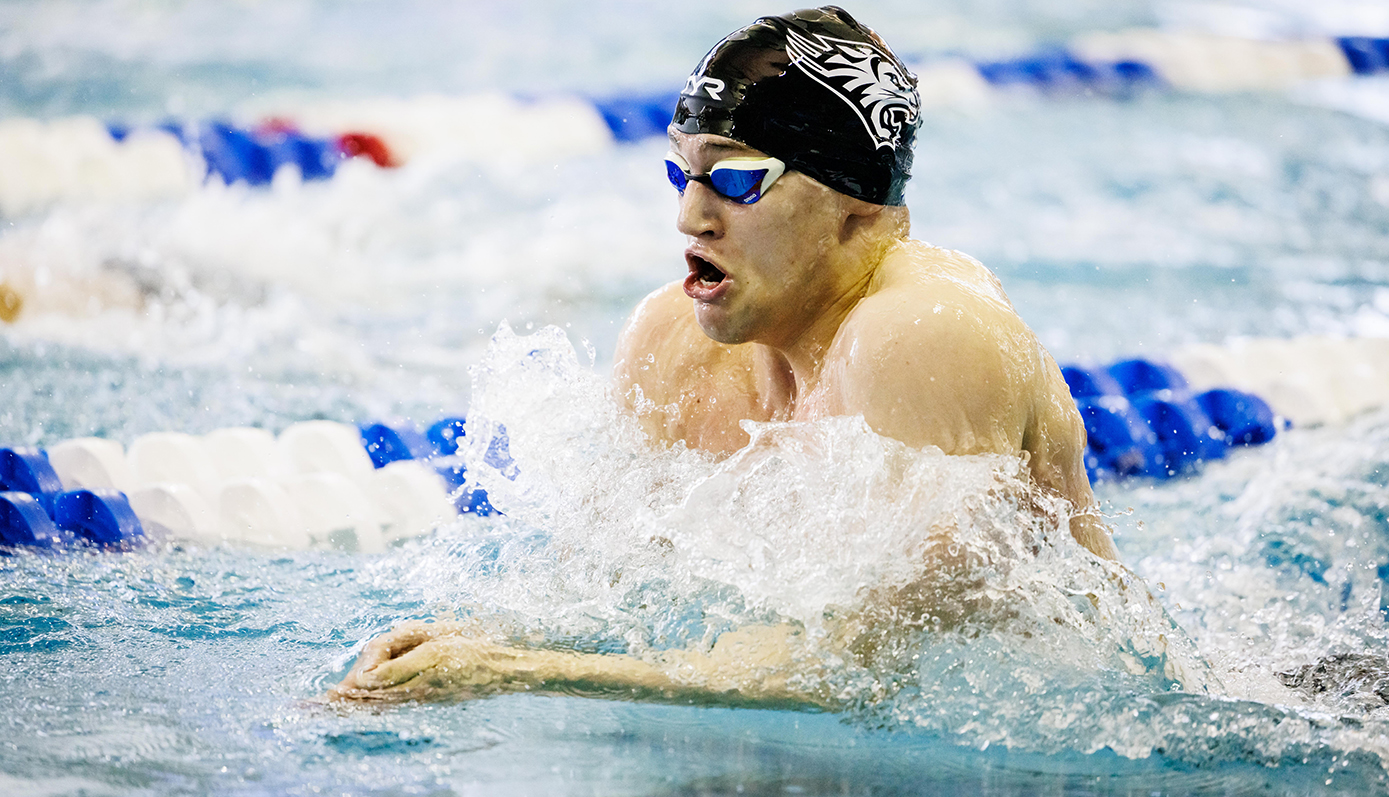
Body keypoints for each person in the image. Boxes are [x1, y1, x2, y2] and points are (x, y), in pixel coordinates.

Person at [331, 6, 1118, 707]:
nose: (688, 215)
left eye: (738, 178)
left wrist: (514, 668)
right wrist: (461, 640)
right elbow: (607, 590)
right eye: (684, 169)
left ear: (856, 209)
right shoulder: (672, 339)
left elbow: (848, 668)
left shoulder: (925, 337)